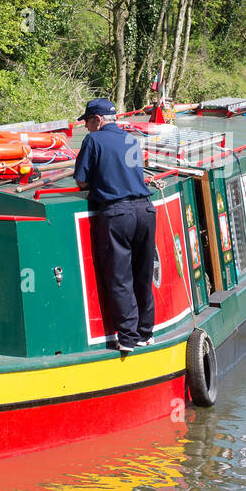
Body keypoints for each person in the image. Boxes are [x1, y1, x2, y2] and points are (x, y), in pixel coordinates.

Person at [73, 98, 156, 354]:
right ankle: (146, 333)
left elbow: (82, 181)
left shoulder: (93, 141)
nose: (86, 128)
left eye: (87, 122)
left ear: (97, 120)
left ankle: (128, 338)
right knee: (143, 275)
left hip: (117, 213)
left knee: (120, 277)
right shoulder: (132, 139)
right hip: (145, 210)